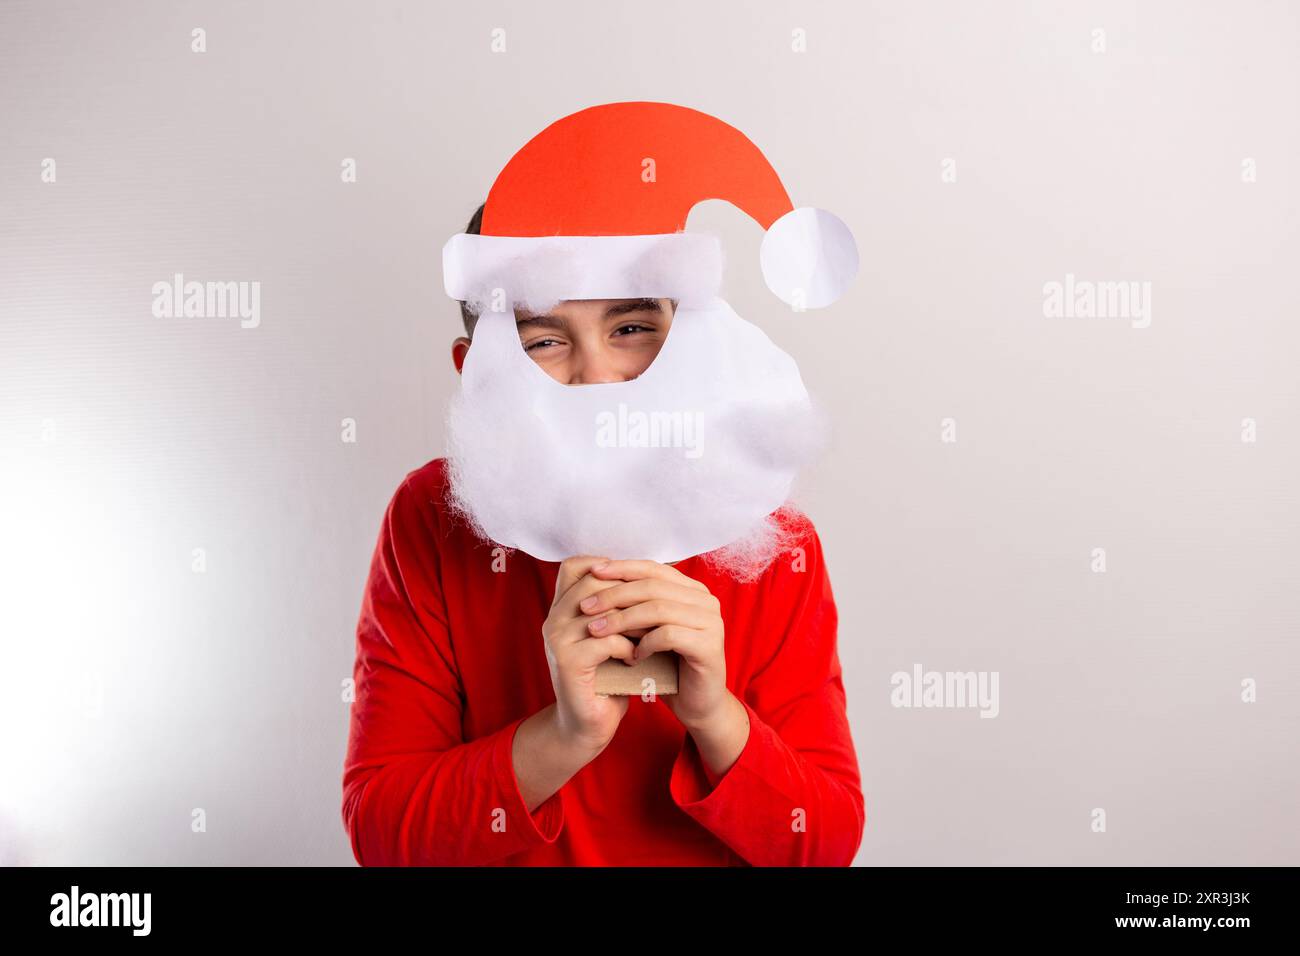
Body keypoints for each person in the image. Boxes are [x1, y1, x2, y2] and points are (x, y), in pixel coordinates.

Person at [338, 195, 865, 866]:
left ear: (690, 333)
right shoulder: (431, 520)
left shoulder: (771, 539)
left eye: (632, 328)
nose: (597, 380)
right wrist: (565, 735)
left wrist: (713, 716)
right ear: (476, 367)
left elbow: (823, 843)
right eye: (545, 341)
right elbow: (385, 838)